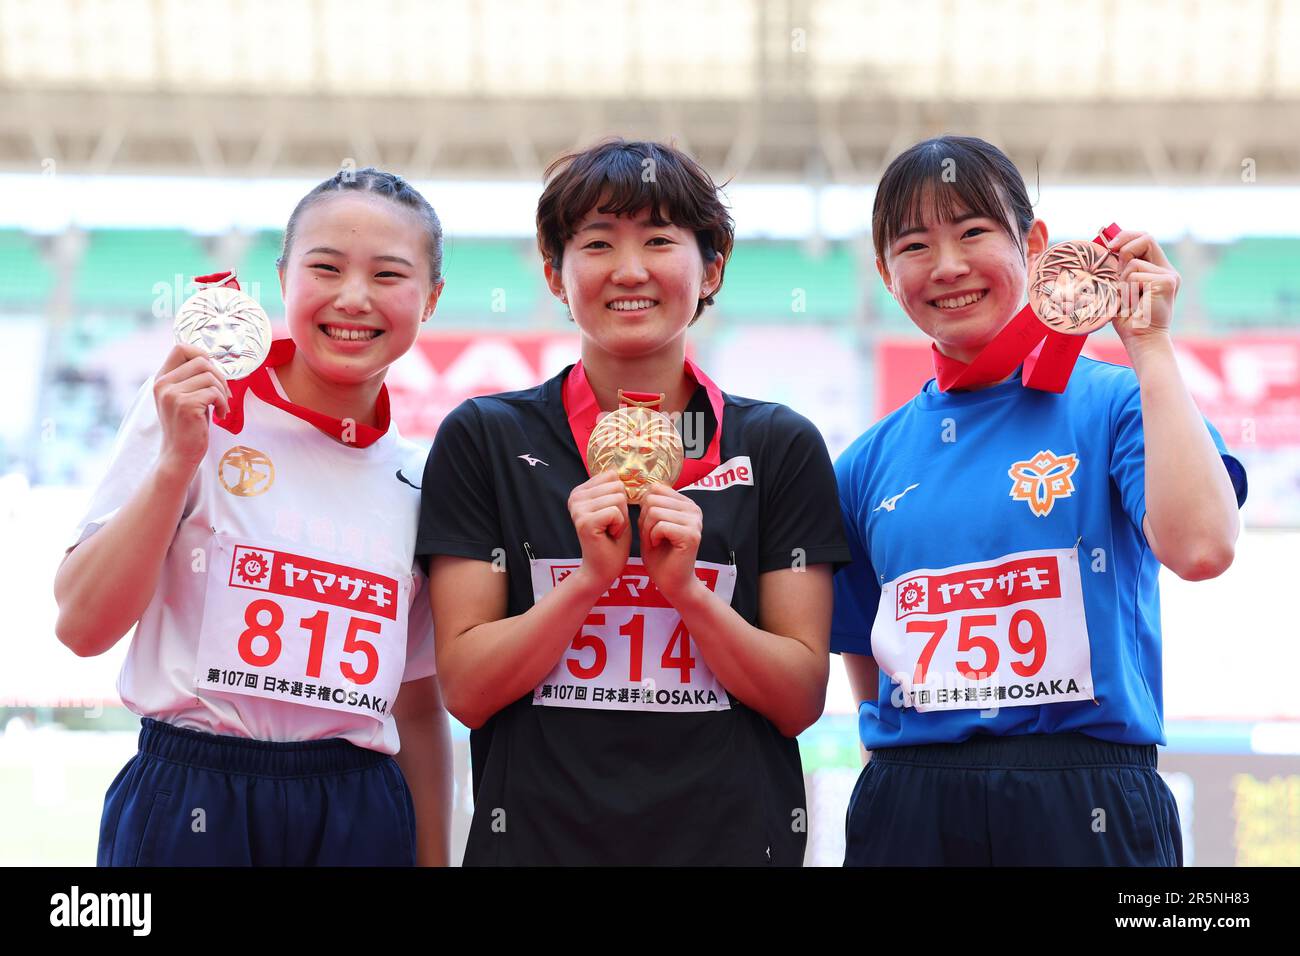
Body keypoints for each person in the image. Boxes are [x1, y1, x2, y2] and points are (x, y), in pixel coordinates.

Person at [417, 139, 851, 865]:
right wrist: (587, 583)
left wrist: (686, 592)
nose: (629, 269)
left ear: (711, 267)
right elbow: (466, 688)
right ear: (555, 274)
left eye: (659, 240)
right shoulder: (485, 438)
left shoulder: (777, 446)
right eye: (596, 243)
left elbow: (800, 696)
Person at [832, 135, 1248, 866]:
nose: (949, 265)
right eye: (915, 245)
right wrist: (896, 774)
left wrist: (1149, 346)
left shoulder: (1121, 403)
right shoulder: (866, 463)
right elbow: (865, 643)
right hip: (912, 805)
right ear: (885, 274)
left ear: (1035, 245)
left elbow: (1204, 547)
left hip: (1089, 801)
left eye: (972, 232)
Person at [54, 168, 453, 866]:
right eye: (325, 267)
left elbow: (419, 710)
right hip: (190, 797)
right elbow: (82, 627)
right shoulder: (190, 407)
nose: (353, 297)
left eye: (389, 274)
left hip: (358, 809)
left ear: (432, 299)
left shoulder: (422, 481)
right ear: (284, 278)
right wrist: (178, 463)